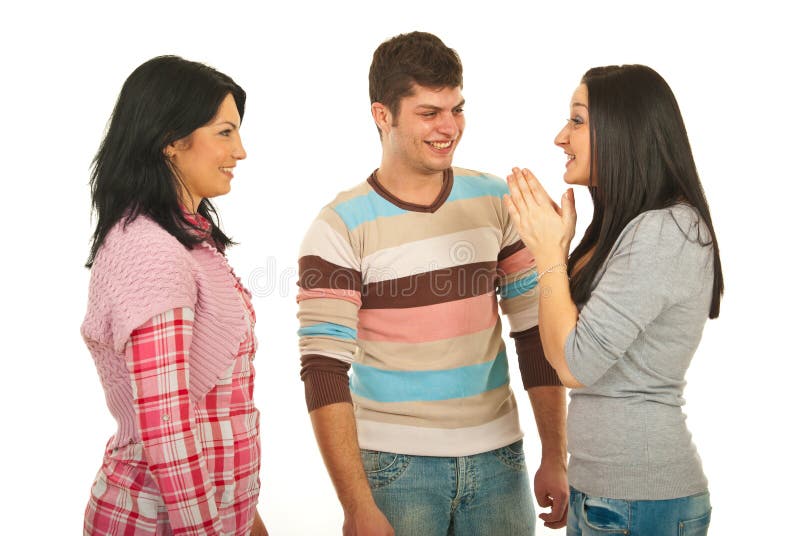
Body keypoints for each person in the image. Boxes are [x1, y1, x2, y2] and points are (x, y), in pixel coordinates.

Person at [297, 31, 568, 535]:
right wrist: (356, 504)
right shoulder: (338, 226)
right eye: (429, 113)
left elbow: (535, 334)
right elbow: (323, 371)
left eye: (457, 109)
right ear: (383, 116)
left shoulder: (497, 201)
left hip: (499, 462)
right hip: (395, 470)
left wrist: (556, 454)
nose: (449, 128)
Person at [504, 64, 723, 536]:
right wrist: (555, 254)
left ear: (625, 129)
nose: (561, 137)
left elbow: (573, 367)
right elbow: (558, 348)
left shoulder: (667, 231)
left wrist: (547, 257)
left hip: (640, 501)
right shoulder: (625, 227)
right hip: (606, 495)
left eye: (578, 121)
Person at [81, 55, 267, 536]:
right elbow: (167, 427)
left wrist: (248, 519)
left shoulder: (186, 240)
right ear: (170, 141)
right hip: (154, 522)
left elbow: (215, 410)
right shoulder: (149, 249)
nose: (241, 151)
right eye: (225, 132)